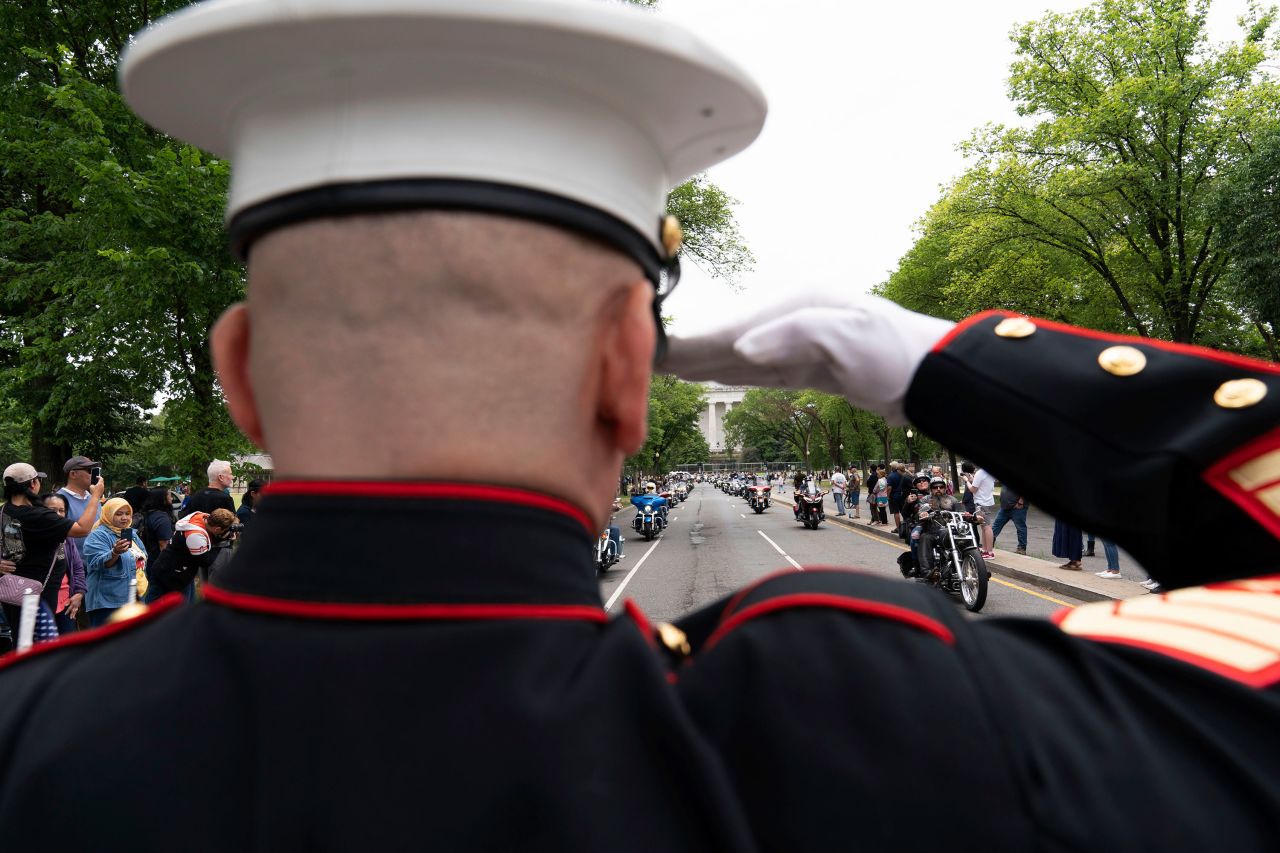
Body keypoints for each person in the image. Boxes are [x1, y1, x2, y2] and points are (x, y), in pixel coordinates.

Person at [1, 3, 1277, 851]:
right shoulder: (884, 717)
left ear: (238, 373)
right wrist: (932, 363)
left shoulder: (38, 732)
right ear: (631, 369)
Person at [1, 463, 102, 635]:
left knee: (21, 641)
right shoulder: (38, 516)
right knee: (39, 646)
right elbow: (83, 528)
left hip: (11, 594)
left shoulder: (4, 511)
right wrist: (96, 496)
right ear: (33, 484)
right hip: (37, 598)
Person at [143, 508, 236, 604]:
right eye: (225, 530)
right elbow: (205, 561)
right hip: (170, 574)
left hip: (180, 570)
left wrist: (221, 537)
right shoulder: (195, 535)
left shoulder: (202, 517)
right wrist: (222, 542)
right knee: (157, 605)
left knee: (188, 604)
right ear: (217, 529)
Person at [82, 497, 148, 627]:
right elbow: (97, 563)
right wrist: (115, 552)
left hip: (134, 598)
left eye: (127, 513)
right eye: (118, 514)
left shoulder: (131, 534)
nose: (124, 518)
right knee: (108, 639)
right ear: (108, 514)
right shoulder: (98, 535)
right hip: (109, 603)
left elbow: (142, 559)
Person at [41, 494, 87, 635]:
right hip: (41, 603)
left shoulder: (67, 538)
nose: (58, 514)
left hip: (66, 603)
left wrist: (79, 593)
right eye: (52, 510)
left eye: (61, 510)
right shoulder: (32, 535)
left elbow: (77, 567)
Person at [55, 455, 101, 548]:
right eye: (89, 470)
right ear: (73, 474)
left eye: (95, 470)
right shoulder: (57, 500)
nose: (95, 475)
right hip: (72, 557)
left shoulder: (93, 497)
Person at [136, 488, 175, 564]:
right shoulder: (162, 518)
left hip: (147, 559)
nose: (171, 498)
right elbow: (164, 545)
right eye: (170, 496)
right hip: (157, 562)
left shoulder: (148, 513)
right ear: (163, 499)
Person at [991, 484, 1029, 555]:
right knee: (996, 525)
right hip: (1005, 507)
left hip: (1017, 507)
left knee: (1020, 528)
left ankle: (1021, 549)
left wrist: (1021, 501)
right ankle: (989, 543)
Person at [970, 465, 996, 558]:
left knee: (987, 527)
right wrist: (973, 479)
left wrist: (967, 481)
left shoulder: (980, 473)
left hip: (981, 502)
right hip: (987, 501)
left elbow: (973, 489)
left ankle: (989, 552)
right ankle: (985, 550)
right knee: (983, 526)